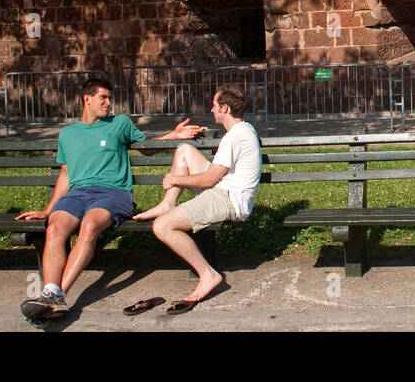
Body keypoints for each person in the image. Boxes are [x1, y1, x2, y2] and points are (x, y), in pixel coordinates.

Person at [16, 77, 205, 324]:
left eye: (109, 98)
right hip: (77, 194)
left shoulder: (119, 123)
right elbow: (65, 173)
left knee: (90, 225)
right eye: (102, 98)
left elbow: (146, 147)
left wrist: (173, 135)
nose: (108, 103)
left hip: (113, 194)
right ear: (87, 99)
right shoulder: (68, 134)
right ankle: (50, 294)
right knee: (54, 226)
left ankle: (56, 296)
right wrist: (48, 209)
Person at [133, 85, 262, 312]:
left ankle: (208, 274)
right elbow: (214, 175)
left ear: (225, 108)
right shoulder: (242, 130)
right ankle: (167, 203)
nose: (211, 110)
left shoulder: (235, 137)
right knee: (184, 149)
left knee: (162, 226)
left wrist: (175, 180)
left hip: (228, 199)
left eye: (214, 105)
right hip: (223, 189)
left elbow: (208, 180)